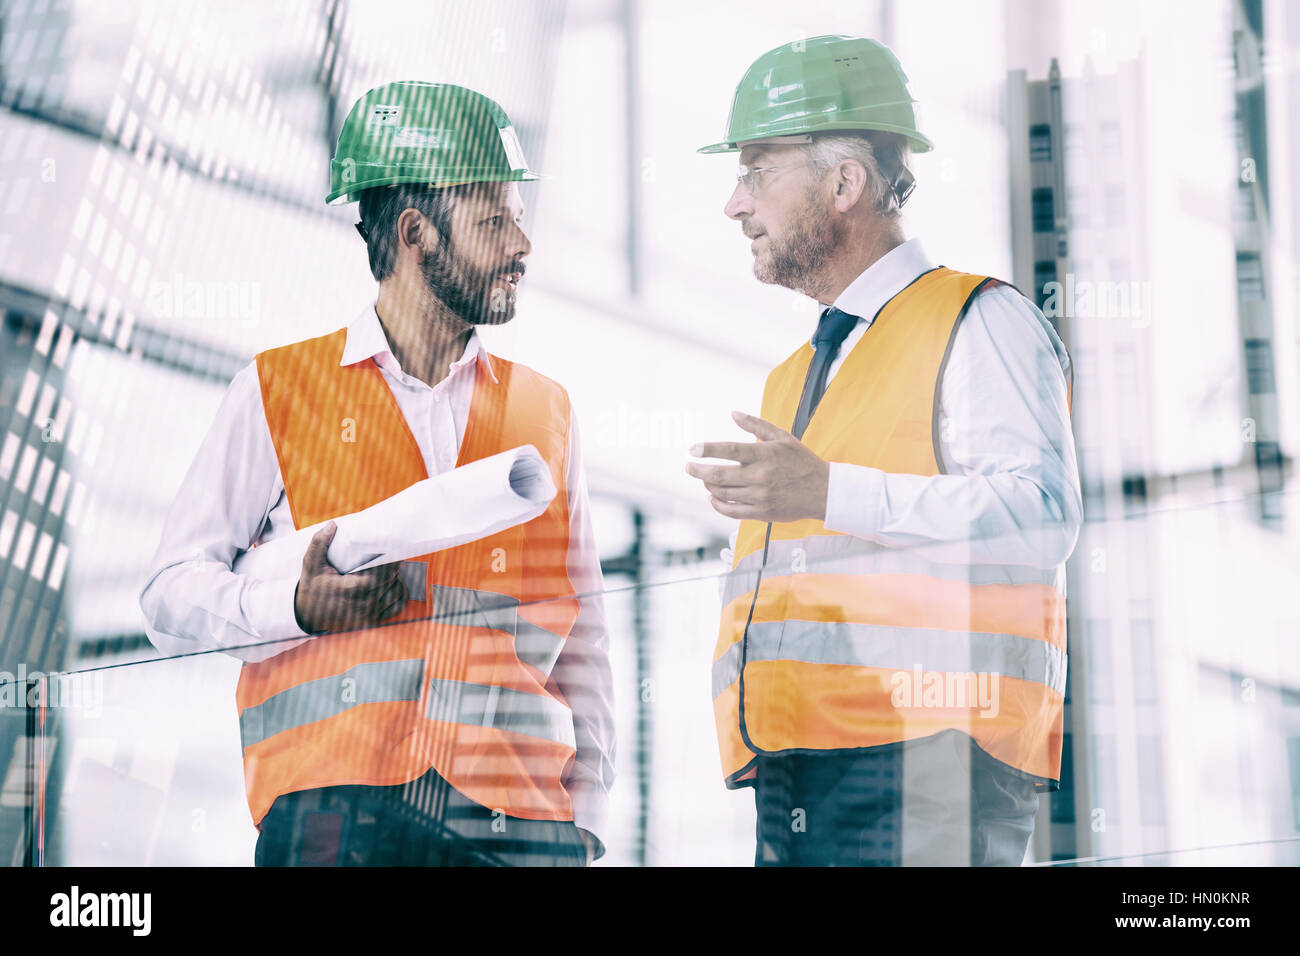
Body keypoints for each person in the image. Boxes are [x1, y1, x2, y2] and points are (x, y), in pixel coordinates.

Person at [140, 81, 615, 866]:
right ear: (416, 232)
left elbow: (586, 633)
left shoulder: (548, 411)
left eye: (519, 219)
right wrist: (292, 604)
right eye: (495, 221)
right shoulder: (279, 390)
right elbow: (169, 594)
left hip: (519, 827)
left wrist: (585, 817)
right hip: (333, 819)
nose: (522, 245)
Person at [687, 35, 1082, 866]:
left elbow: (1040, 519)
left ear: (845, 183)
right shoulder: (795, 377)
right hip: (795, 777)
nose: (735, 203)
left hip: (930, 768)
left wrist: (828, 491)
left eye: (757, 172)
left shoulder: (980, 321)